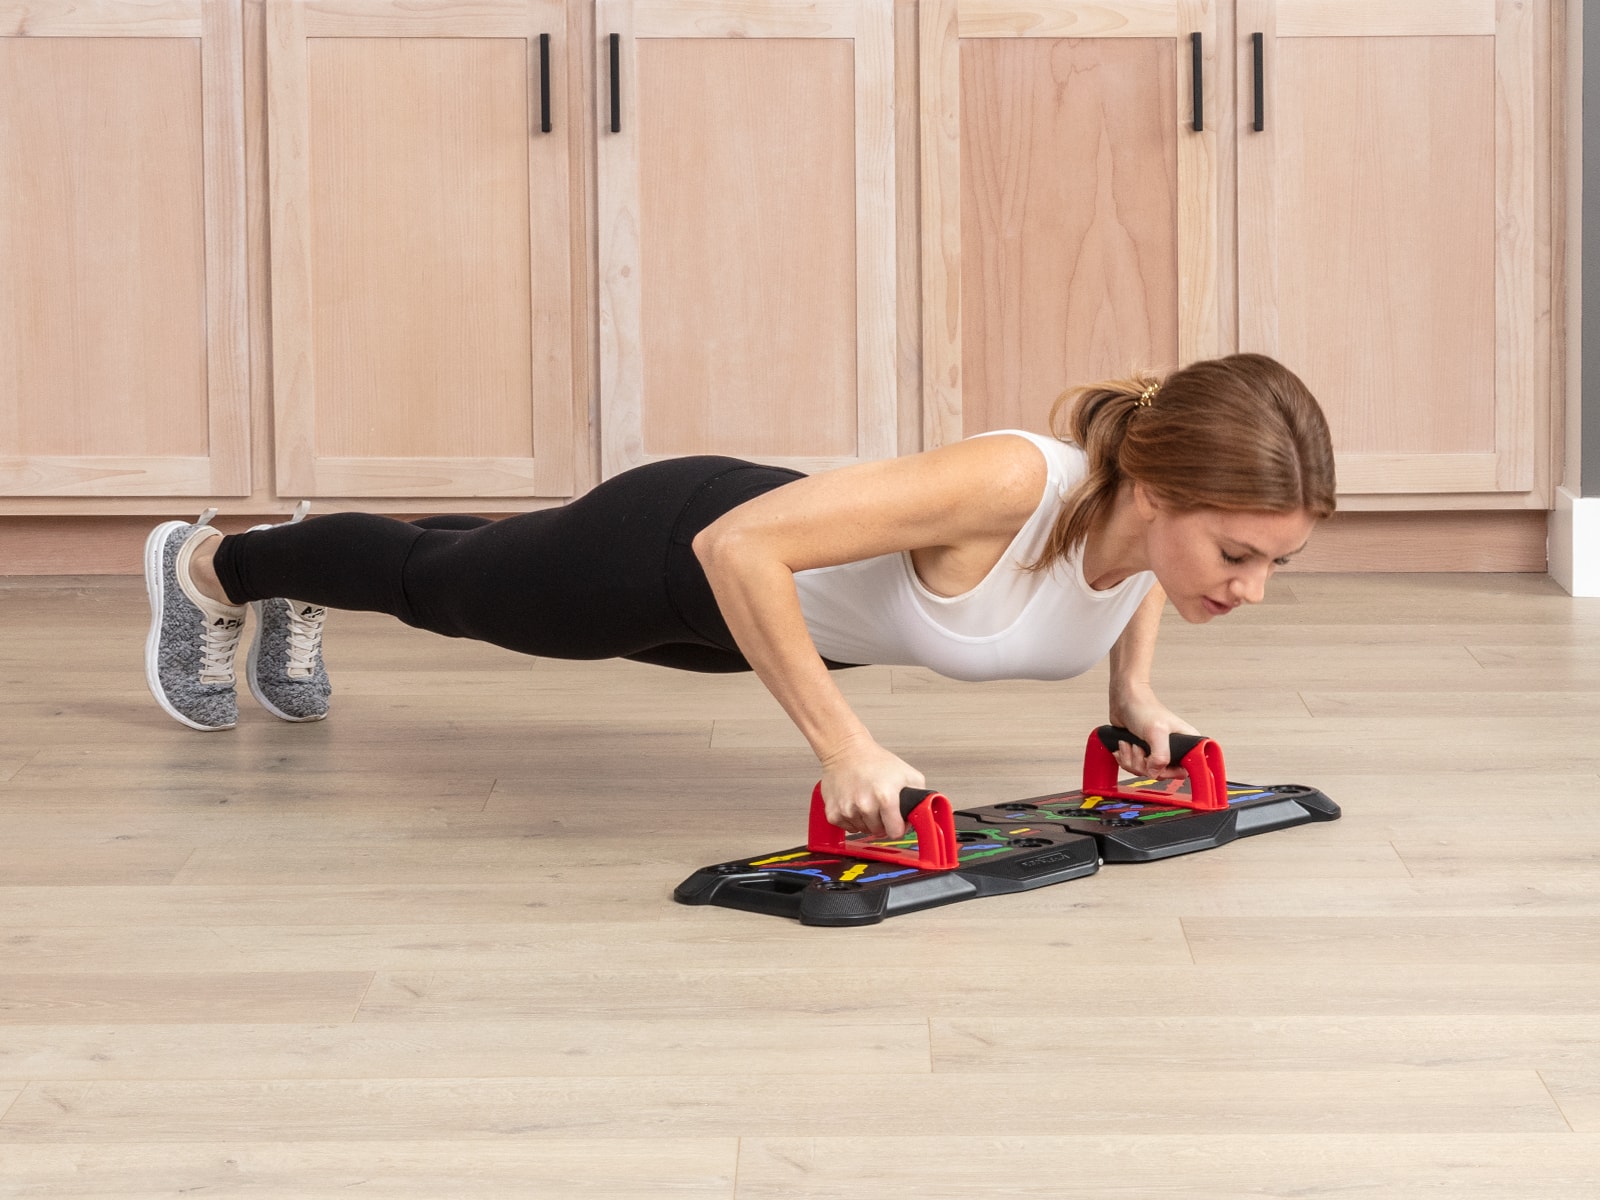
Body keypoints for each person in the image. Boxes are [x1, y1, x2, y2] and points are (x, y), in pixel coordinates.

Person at [143, 352, 1335, 839]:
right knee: (443, 587)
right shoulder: (1015, 480)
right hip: (683, 544)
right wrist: (844, 747)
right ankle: (216, 568)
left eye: (1272, 562)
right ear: (1161, 490)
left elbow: (1118, 577)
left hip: (755, 633)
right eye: (1238, 554)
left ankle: (304, 566)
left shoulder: (1139, 531)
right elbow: (739, 547)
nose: (1252, 588)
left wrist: (1136, 689)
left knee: (483, 559)